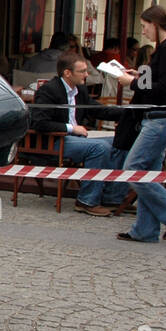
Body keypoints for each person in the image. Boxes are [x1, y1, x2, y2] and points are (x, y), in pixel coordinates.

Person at [114, 5, 166, 241]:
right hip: (161, 118)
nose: (143, 31)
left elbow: (165, 87)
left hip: (162, 119)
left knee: (133, 169)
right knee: (148, 173)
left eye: (144, 26)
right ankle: (145, 230)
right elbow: (161, 81)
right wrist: (139, 76)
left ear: (155, 25)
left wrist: (132, 83)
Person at [30, 52, 127, 216]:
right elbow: (39, 122)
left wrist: (128, 113)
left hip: (76, 139)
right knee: (100, 148)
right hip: (53, 141)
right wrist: (71, 128)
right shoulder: (49, 90)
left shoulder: (80, 90)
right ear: (67, 73)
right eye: (82, 71)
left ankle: (112, 198)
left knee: (121, 141)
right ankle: (87, 201)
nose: (87, 74)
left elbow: (97, 110)